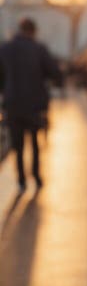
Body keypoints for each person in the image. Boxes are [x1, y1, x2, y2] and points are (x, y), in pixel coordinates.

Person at [0, 17, 62, 191]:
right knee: (35, 141)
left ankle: (21, 180)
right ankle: (36, 176)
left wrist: (5, 92)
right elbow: (55, 73)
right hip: (34, 105)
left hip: (12, 104)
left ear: (20, 29)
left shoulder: (4, 49)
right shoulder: (39, 49)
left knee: (17, 145)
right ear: (33, 31)